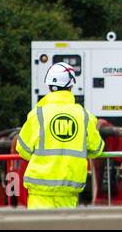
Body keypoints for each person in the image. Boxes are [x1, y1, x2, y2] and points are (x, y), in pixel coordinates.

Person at [15, 63, 104, 209]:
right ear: (71, 86)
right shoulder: (84, 116)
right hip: (69, 190)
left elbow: (22, 149)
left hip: (40, 190)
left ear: (49, 87)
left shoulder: (38, 114)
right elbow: (97, 149)